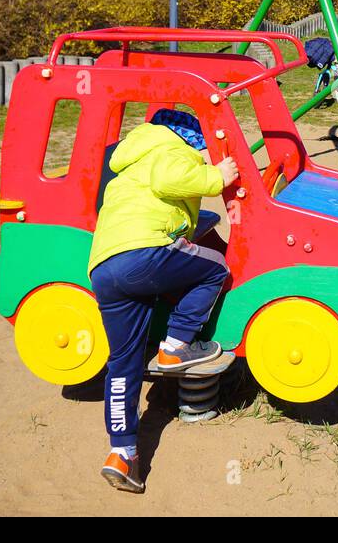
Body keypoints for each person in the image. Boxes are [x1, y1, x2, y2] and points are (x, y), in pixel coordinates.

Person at [89, 108, 239, 493]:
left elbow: (155, 196)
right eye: (200, 146)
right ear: (188, 137)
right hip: (145, 252)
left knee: (122, 364)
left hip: (105, 268)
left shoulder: (131, 159)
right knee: (215, 268)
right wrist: (214, 176)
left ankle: (122, 454)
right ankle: (175, 347)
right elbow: (170, 178)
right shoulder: (169, 148)